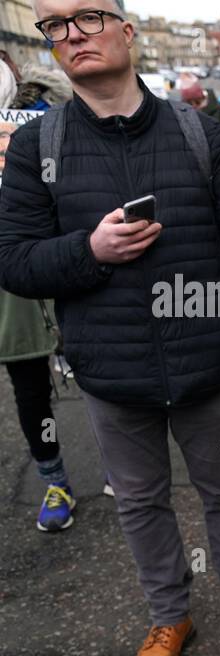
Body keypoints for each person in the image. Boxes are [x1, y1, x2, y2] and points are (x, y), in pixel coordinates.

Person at [0, 0, 220, 656]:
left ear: (126, 30)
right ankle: (169, 614)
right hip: (109, 367)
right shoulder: (40, 146)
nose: (72, 36)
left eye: (87, 18)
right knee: (139, 499)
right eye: (55, 26)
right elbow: (15, 260)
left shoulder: (201, 133)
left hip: (204, 361)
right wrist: (89, 250)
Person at [0, 57, 73, 530]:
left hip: (68, 277)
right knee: (30, 395)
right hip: (15, 301)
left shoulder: (43, 123)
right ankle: (54, 480)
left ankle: (125, 468)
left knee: (101, 379)